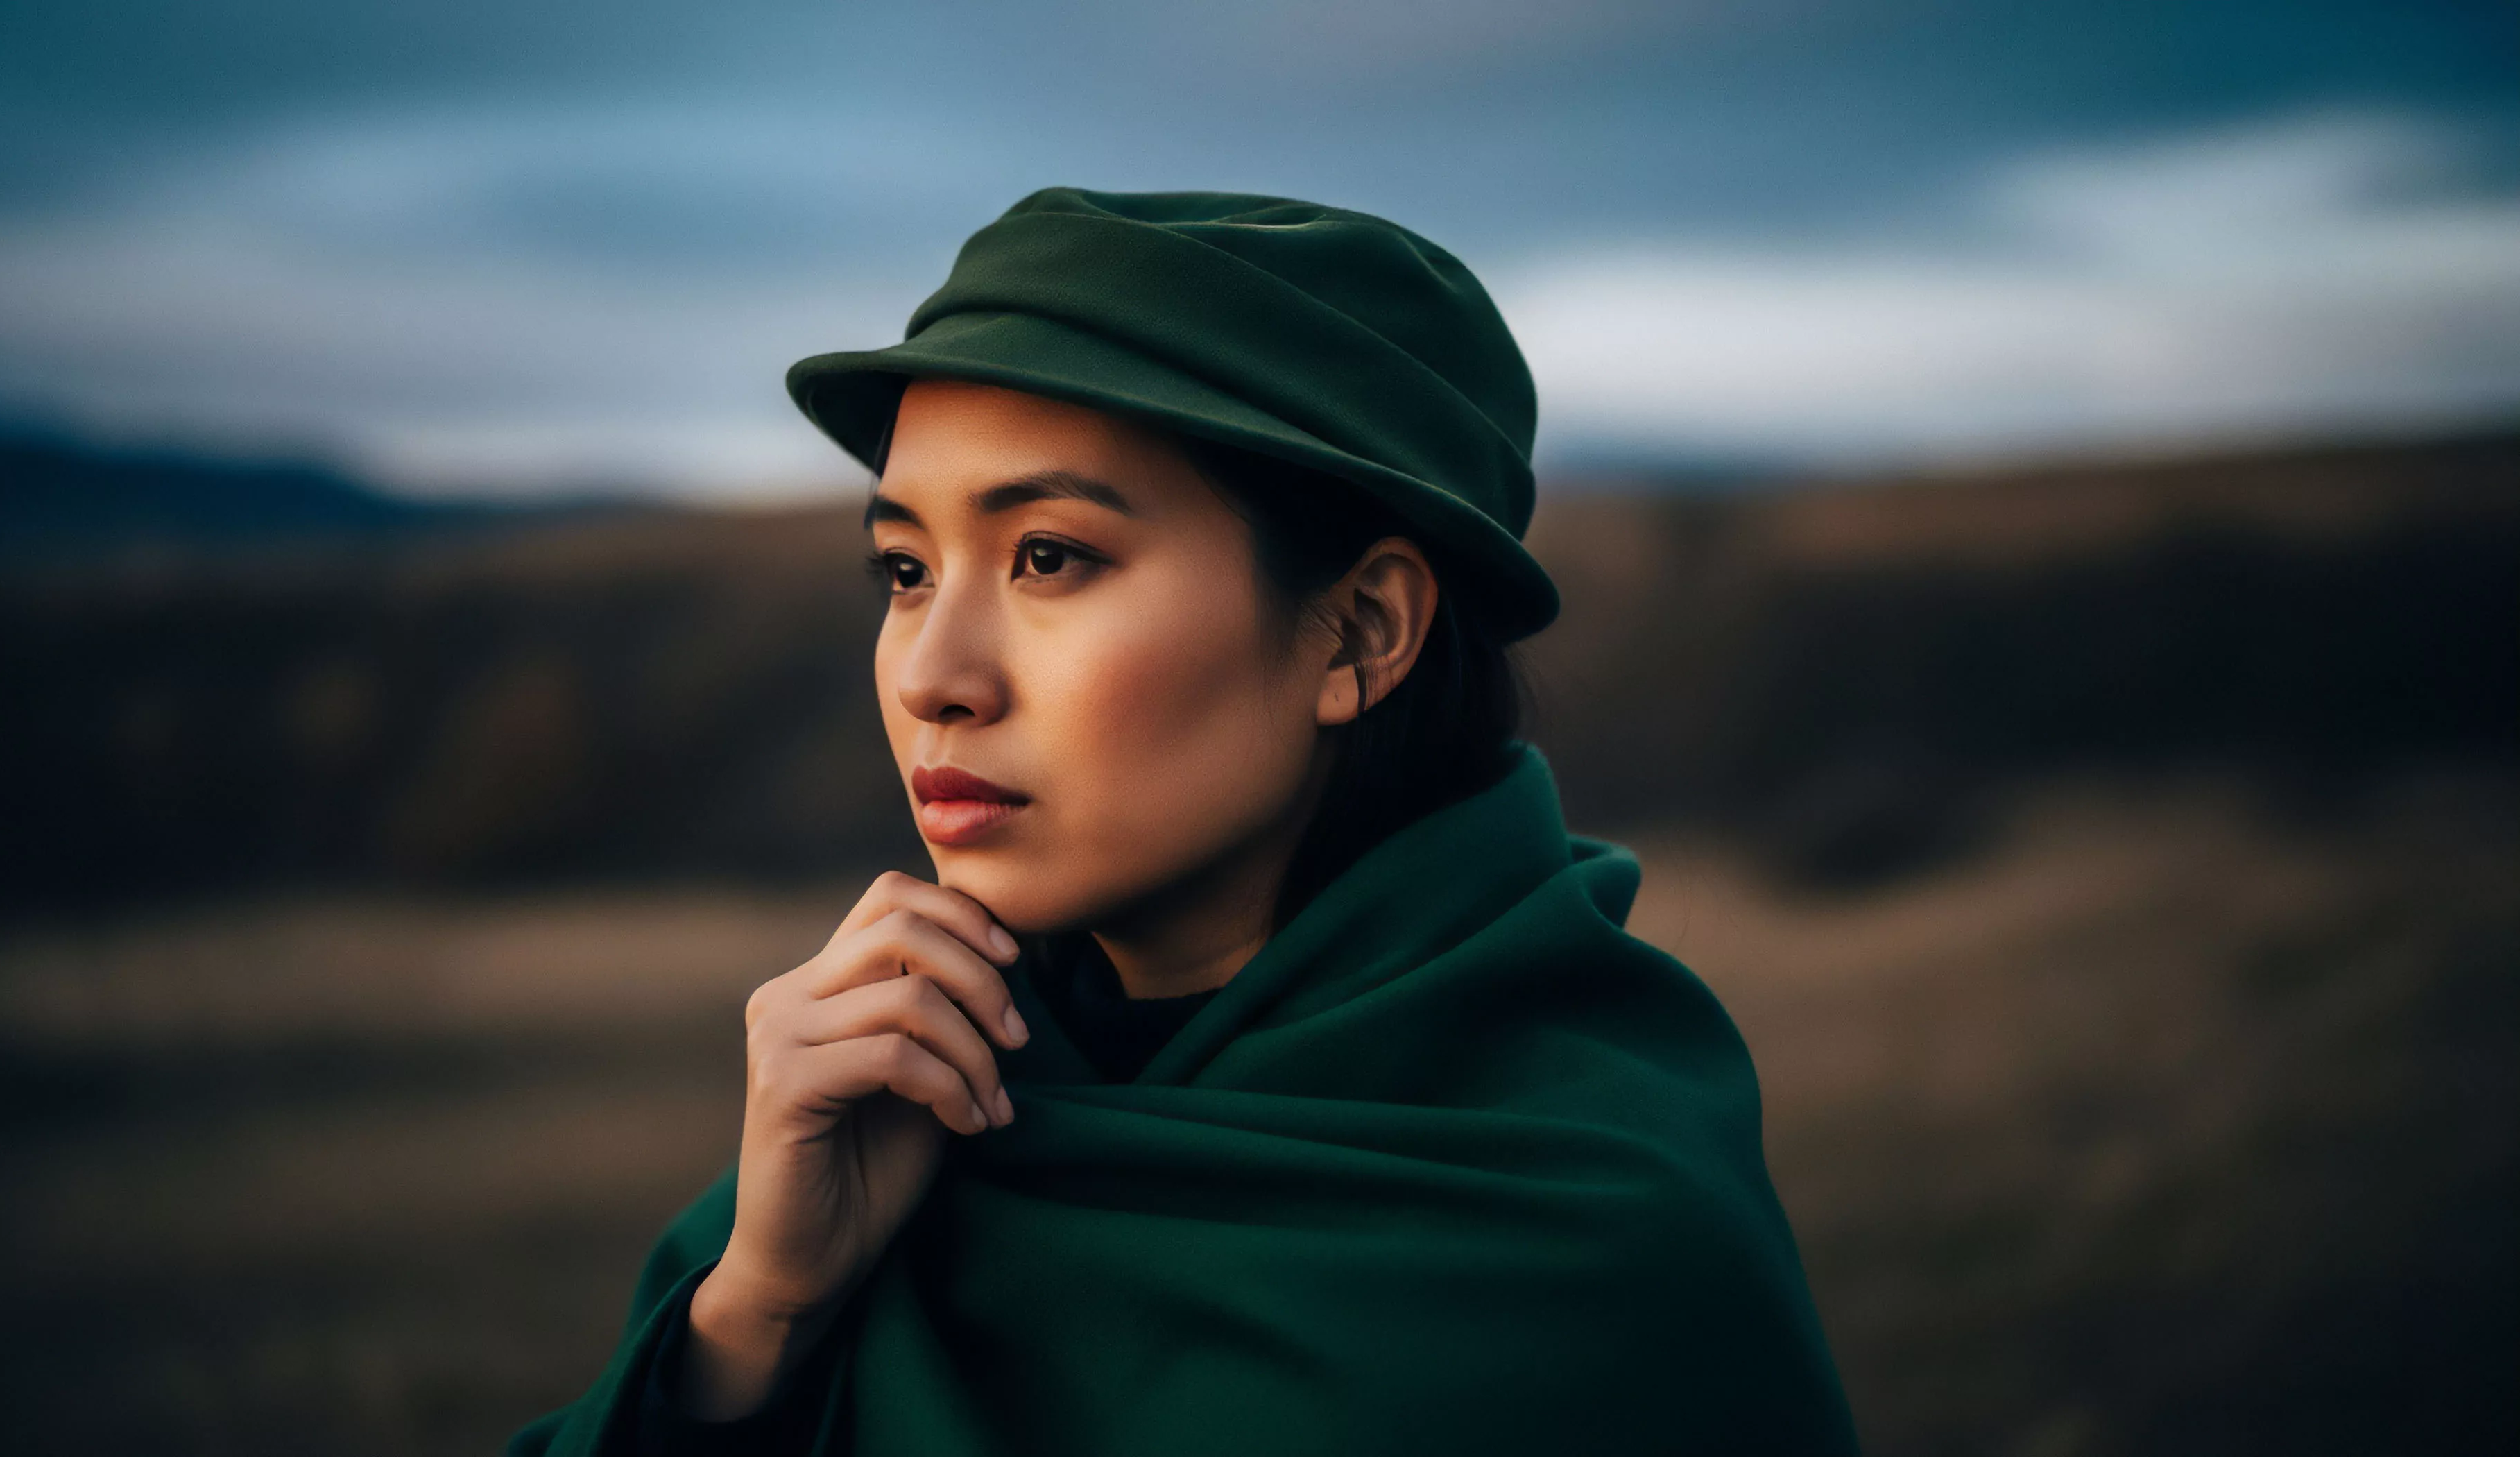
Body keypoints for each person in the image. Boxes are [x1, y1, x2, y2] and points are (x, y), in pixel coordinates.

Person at [510, 187, 1858, 1456]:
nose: (930, 673)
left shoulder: (1594, 1229)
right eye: (903, 570)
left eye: (1049, 557)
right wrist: (758, 1318)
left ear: (1360, 632)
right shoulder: (885, 1121)